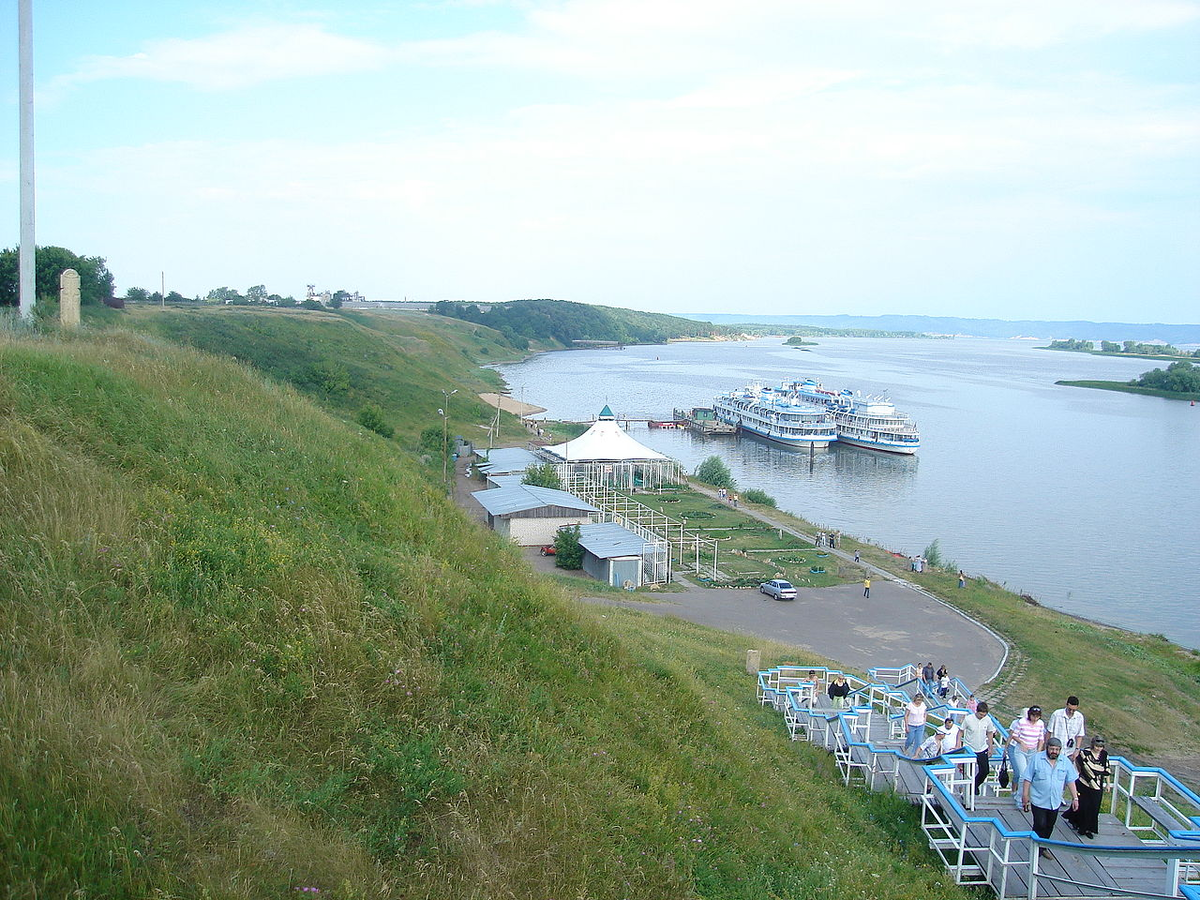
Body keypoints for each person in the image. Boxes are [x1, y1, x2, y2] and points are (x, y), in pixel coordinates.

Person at [1021, 737, 1079, 860]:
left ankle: (1043, 847)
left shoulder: (1064, 761)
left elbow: (1070, 780)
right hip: (1038, 799)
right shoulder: (1037, 759)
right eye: (1052, 749)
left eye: (1057, 750)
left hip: (1055, 801)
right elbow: (1027, 778)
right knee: (1040, 824)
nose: (1054, 752)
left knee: (1050, 825)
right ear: (1047, 748)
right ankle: (1035, 849)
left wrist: (1075, 798)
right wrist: (1025, 796)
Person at [1064, 736, 1110, 839]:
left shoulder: (1104, 755)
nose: (1099, 749)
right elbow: (1080, 765)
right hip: (1084, 783)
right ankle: (1078, 823)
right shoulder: (1084, 753)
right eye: (1097, 746)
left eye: (1101, 747)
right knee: (1083, 806)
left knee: (1094, 807)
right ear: (1093, 744)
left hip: (1097, 785)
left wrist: (1107, 784)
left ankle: (1089, 828)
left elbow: (1107, 769)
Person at [1007, 705, 1047, 809]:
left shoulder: (1040, 724)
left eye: (1037, 716)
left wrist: (1039, 750)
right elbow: (1014, 735)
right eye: (1033, 716)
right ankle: (1020, 799)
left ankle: (1029, 797)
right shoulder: (1022, 722)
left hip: (1033, 751)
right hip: (1021, 750)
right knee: (1022, 774)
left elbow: (1041, 738)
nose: (1035, 718)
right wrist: (1022, 742)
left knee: (1031, 775)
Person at [961, 701, 998, 794]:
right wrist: (958, 745)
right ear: (976, 711)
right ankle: (968, 792)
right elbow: (960, 731)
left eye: (984, 715)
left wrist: (990, 747)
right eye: (981, 714)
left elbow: (990, 733)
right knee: (967, 772)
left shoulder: (988, 720)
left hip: (982, 748)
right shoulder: (968, 719)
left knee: (985, 771)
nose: (982, 716)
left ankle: (975, 785)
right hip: (969, 748)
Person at [1048, 696, 1087, 763]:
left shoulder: (1080, 717)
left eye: (1074, 710)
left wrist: (1077, 749)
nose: (1071, 712)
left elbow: (1080, 735)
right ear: (1066, 705)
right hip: (1055, 750)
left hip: (1070, 752)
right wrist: (1047, 746)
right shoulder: (1056, 714)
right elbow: (1049, 731)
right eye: (1069, 709)